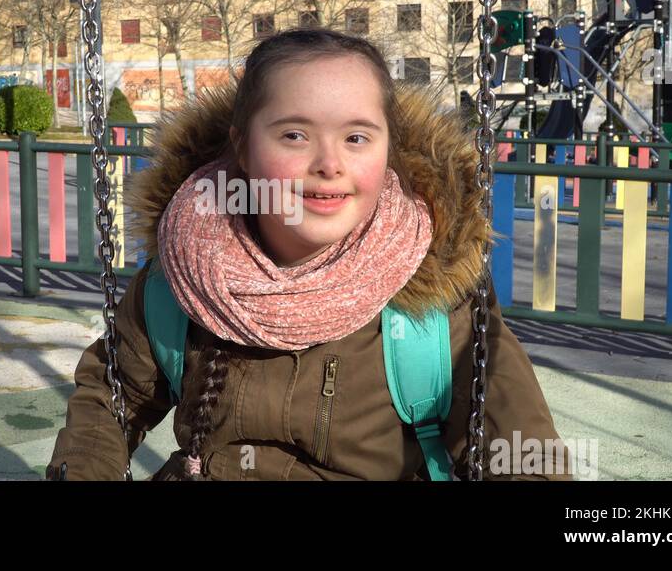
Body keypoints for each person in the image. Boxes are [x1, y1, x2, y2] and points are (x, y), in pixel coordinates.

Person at [47, 28, 572, 481]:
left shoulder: (435, 297)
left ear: (388, 149)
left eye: (357, 137)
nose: (329, 164)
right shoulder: (186, 271)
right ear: (243, 147)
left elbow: (518, 446)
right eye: (295, 135)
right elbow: (113, 398)